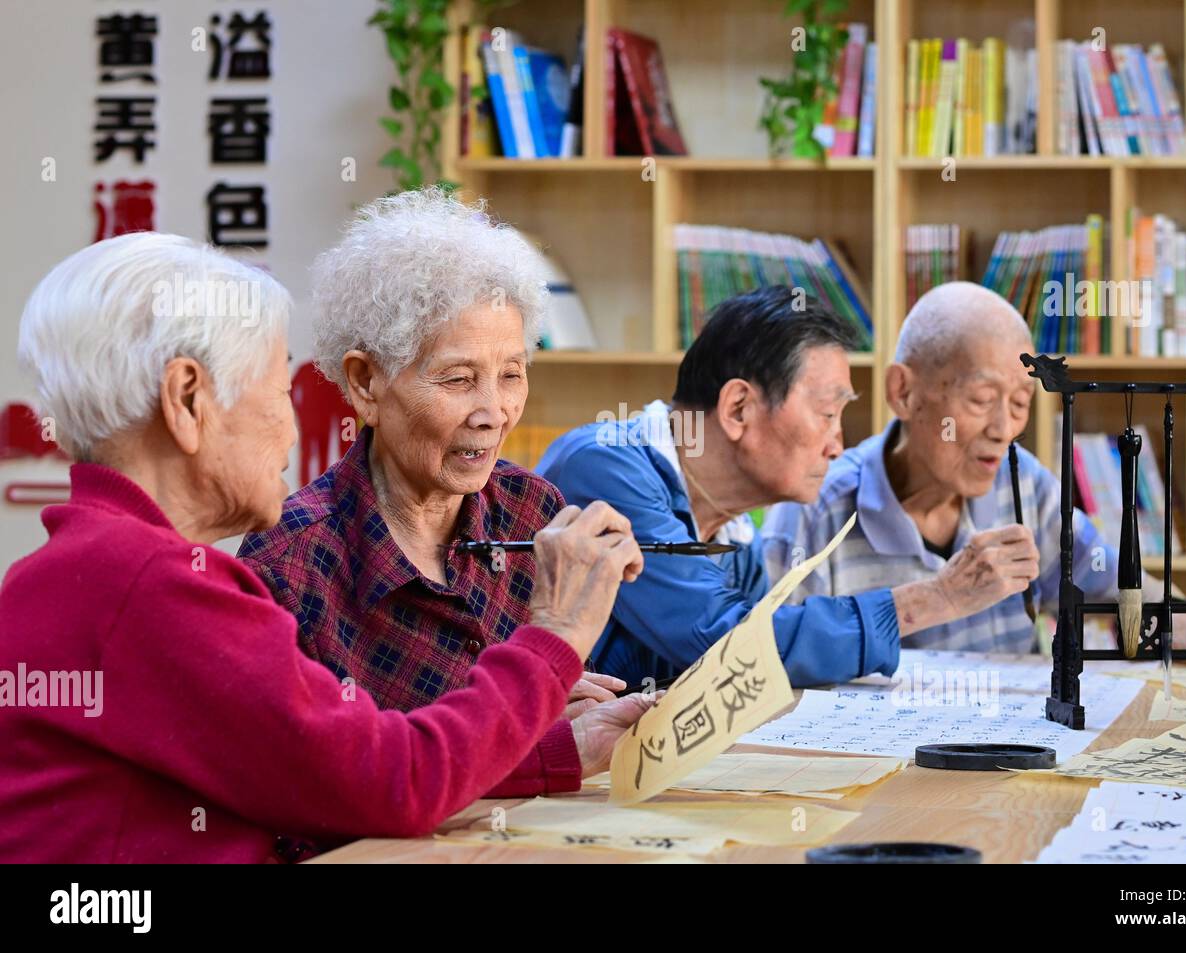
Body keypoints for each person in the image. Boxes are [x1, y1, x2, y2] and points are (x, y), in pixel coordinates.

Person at [0, 232, 651, 863]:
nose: (292, 430)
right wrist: (557, 633)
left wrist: (557, 746)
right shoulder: (149, 585)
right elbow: (392, 782)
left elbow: (334, 780)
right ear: (187, 398)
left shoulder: (86, 569)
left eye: (511, 374)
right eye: (281, 393)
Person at [240, 189, 624, 724]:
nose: (493, 412)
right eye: (459, 379)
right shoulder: (290, 565)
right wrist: (520, 727)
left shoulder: (534, 513)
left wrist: (560, 697)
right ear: (366, 382)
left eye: (512, 375)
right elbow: (308, 779)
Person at [537, 286, 1038, 688]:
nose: (837, 445)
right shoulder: (604, 468)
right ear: (738, 409)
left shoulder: (734, 532)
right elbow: (726, 645)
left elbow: (761, 661)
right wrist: (938, 598)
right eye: (826, 414)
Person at [764, 280, 1186, 653]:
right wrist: (935, 599)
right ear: (903, 392)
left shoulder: (1024, 485)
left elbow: (1125, 589)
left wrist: (1170, 626)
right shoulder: (814, 511)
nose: (1005, 429)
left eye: (1020, 403)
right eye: (981, 400)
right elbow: (772, 658)